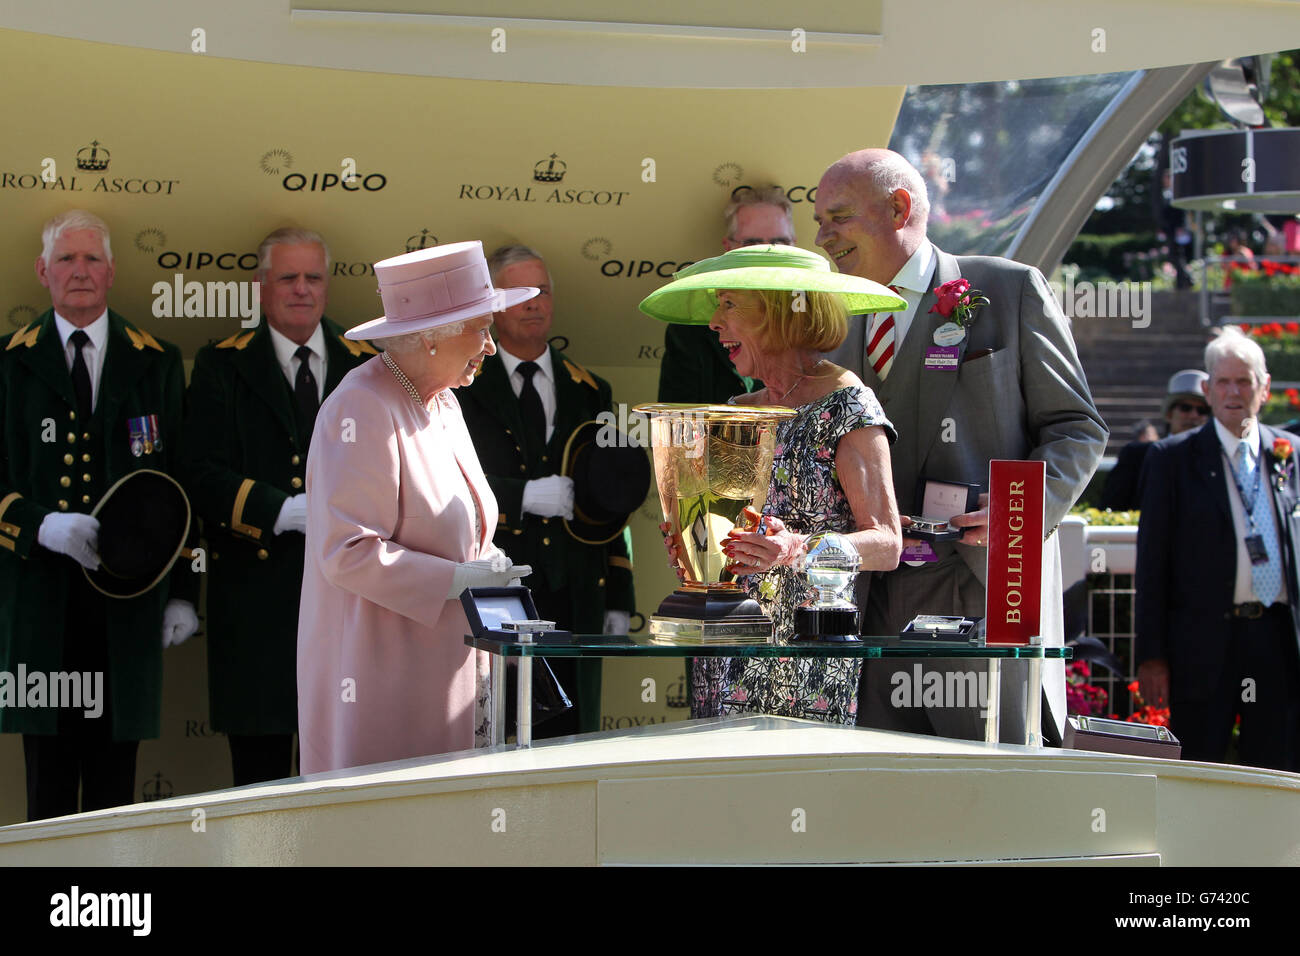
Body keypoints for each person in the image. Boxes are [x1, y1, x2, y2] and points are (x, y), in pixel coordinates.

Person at [814, 149, 1108, 744]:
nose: (822, 238)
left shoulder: (1009, 289)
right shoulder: (833, 320)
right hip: (864, 603)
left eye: (837, 217)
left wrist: (1019, 514)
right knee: (881, 796)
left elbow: (1077, 427)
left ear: (899, 208)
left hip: (981, 597)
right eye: (819, 222)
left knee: (988, 799)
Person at [296, 241, 534, 774]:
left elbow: (464, 527)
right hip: (383, 675)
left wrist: (492, 568)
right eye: (481, 328)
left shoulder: (444, 400)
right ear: (431, 337)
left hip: (455, 669)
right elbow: (347, 552)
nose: (492, 347)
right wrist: (460, 579)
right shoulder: (361, 406)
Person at [641, 244, 904, 723]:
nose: (714, 323)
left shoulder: (849, 406)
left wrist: (795, 548)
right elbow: (727, 530)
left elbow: (886, 545)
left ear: (780, 313)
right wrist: (695, 540)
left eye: (729, 306)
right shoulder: (738, 409)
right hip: (723, 645)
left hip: (806, 655)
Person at [0, 210, 198, 819]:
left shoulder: (155, 362)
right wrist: (38, 524)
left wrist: (185, 592)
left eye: (91, 260)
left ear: (112, 272)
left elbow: (183, 489)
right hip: (43, 605)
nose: (79, 271)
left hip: (128, 605)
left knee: (117, 789)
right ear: (42, 272)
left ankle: (109, 911)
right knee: (50, 791)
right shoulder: (10, 364)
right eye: (65, 259)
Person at [181, 227, 374, 786]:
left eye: (313, 277)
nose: (301, 290)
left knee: (344, 768)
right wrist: (278, 510)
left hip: (348, 597)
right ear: (262, 286)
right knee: (259, 776)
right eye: (287, 277)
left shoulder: (366, 363)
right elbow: (198, 470)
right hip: (255, 600)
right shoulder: (223, 365)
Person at [459, 245, 635, 738]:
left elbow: (611, 499)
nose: (535, 302)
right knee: (501, 727)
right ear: (493, 303)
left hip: (576, 589)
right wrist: (520, 497)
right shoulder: (463, 384)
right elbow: (444, 482)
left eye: (543, 291)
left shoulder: (589, 389)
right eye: (521, 293)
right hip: (501, 585)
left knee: (573, 735)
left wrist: (619, 593)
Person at [1136, 328, 1300, 771]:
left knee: (1278, 770)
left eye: (1244, 381)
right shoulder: (1172, 459)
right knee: (1200, 768)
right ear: (1207, 390)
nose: (1234, 392)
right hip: (1204, 644)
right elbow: (1152, 563)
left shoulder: (1290, 453)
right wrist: (1151, 656)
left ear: (1263, 389)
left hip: (1276, 638)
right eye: (1223, 382)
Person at [657, 186, 795, 403]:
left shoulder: (813, 320)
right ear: (728, 247)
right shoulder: (689, 330)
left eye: (779, 243)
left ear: (795, 246)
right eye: (752, 244)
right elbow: (676, 422)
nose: (766, 254)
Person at [1100, 369, 1209, 511]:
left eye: (1202, 411)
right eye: (1185, 408)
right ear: (1169, 413)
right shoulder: (1137, 456)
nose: (1194, 415)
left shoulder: (1216, 458)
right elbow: (1111, 507)